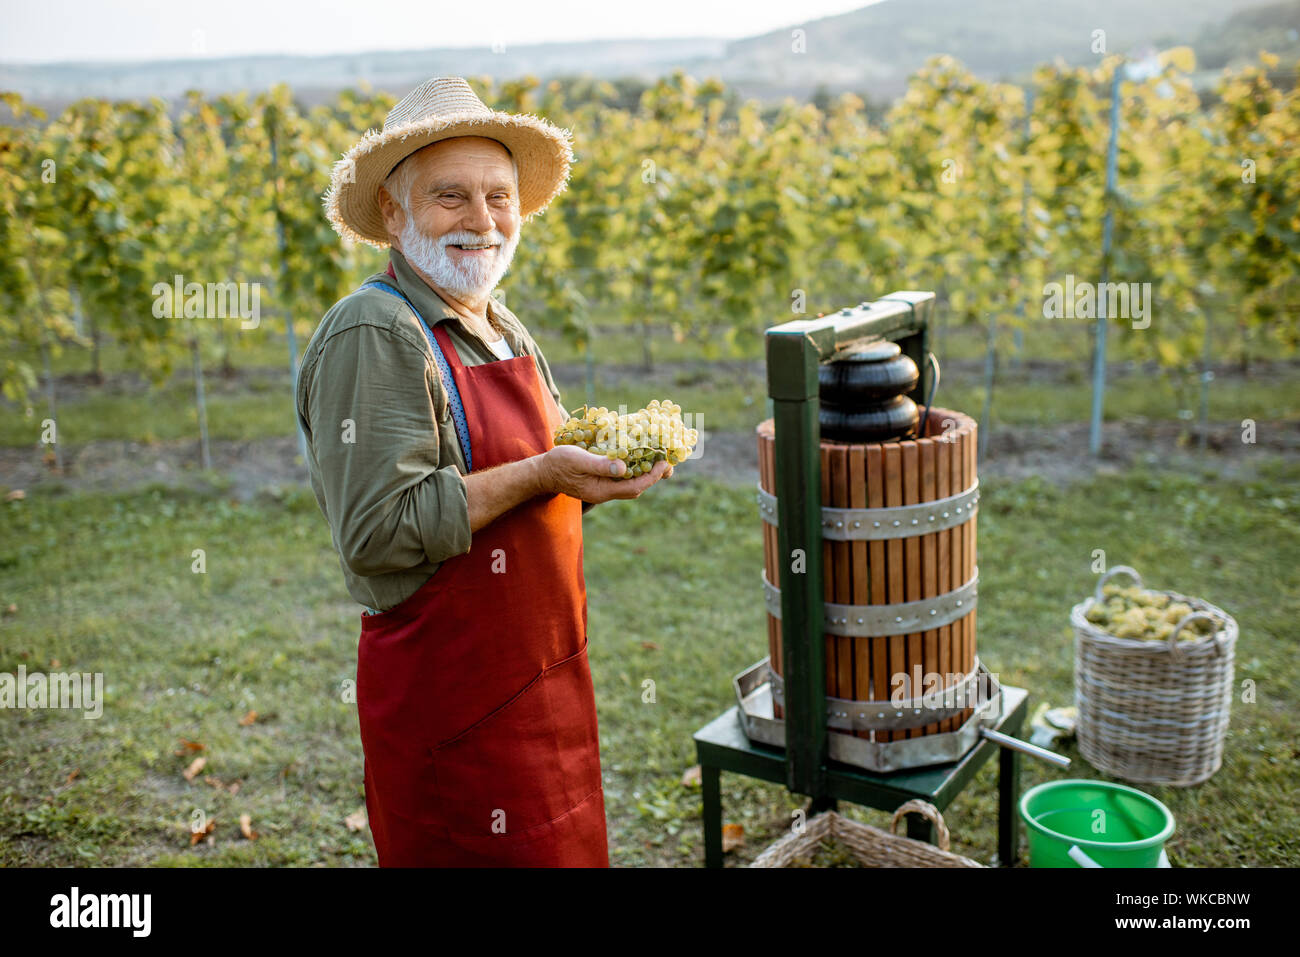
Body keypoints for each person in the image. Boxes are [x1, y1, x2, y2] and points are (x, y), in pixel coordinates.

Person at [297, 76, 670, 866]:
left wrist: (591, 473)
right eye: (450, 196)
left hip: (545, 690)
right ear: (394, 215)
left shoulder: (501, 325)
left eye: (499, 197)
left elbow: (530, 481)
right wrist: (543, 472)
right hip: (453, 710)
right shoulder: (376, 330)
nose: (483, 220)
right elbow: (378, 533)